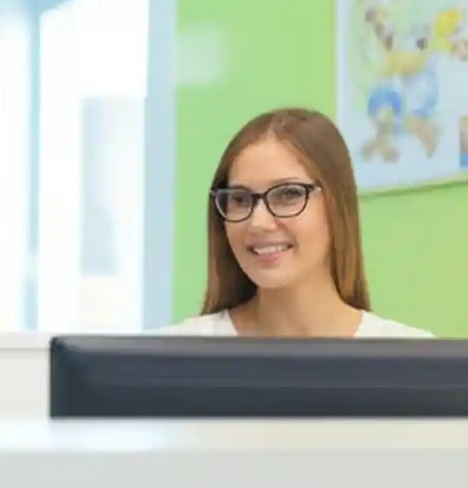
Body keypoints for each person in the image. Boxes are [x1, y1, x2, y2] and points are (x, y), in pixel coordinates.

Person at [171, 107, 431, 338]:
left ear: (336, 204)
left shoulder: (412, 359)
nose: (258, 222)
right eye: (240, 199)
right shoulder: (173, 357)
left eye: (288, 194)